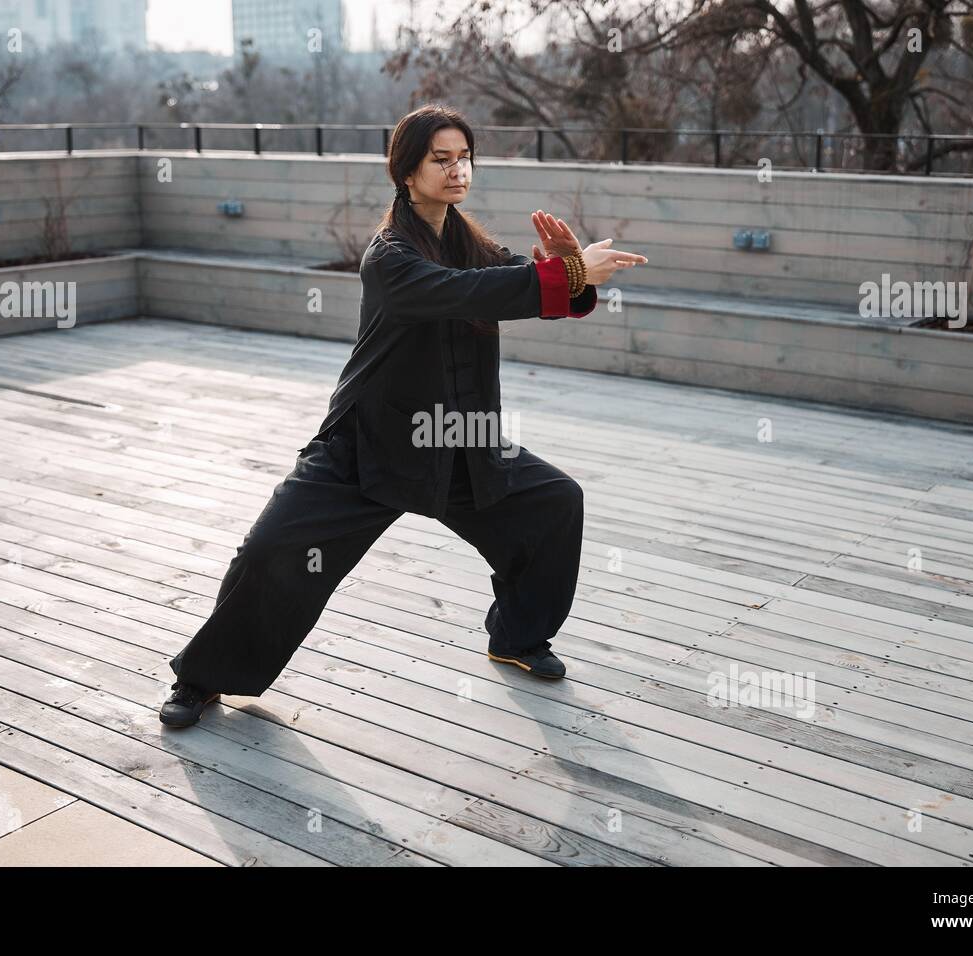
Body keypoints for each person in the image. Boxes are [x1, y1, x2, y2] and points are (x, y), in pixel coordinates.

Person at [160, 104, 648, 727]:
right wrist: (561, 273)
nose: (456, 169)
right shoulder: (389, 255)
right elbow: (462, 294)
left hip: (460, 439)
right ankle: (203, 680)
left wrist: (568, 273)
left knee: (554, 504)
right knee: (273, 548)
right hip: (371, 442)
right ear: (406, 170)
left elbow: (518, 288)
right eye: (440, 159)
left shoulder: (473, 245)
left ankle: (517, 638)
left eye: (463, 157)